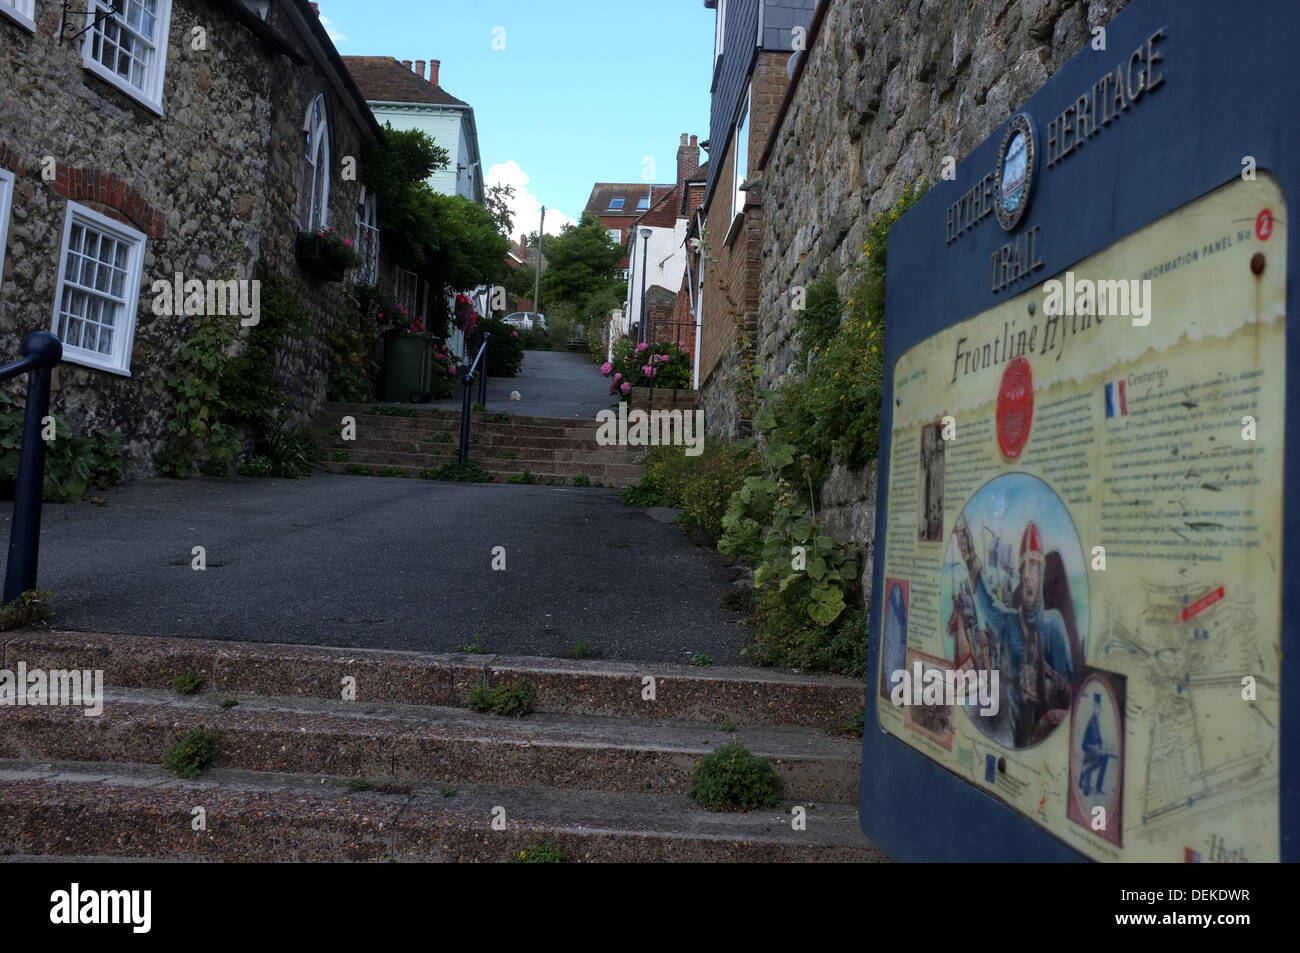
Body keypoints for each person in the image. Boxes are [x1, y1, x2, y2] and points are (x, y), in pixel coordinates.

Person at [955, 520, 1073, 746]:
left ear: (1041, 574)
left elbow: (1070, 692)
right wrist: (969, 556)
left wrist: (1043, 680)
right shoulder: (1009, 622)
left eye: (1034, 567)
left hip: (1047, 738)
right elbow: (988, 602)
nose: (1028, 574)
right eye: (1024, 568)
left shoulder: (1053, 626)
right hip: (1018, 735)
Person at [1079, 692, 1110, 796]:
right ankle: (1086, 778)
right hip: (1090, 752)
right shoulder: (1091, 722)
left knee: (1105, 756)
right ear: (1094, 707)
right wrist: (1095, 748)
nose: (1100, 710)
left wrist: (1102, 748)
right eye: (1098, 708)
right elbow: (1084, 744)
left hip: (1095, 751)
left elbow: (1099, 739)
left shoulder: (1096, 721)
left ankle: (1098, 787)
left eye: (1100, 708)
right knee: (1086, 792)